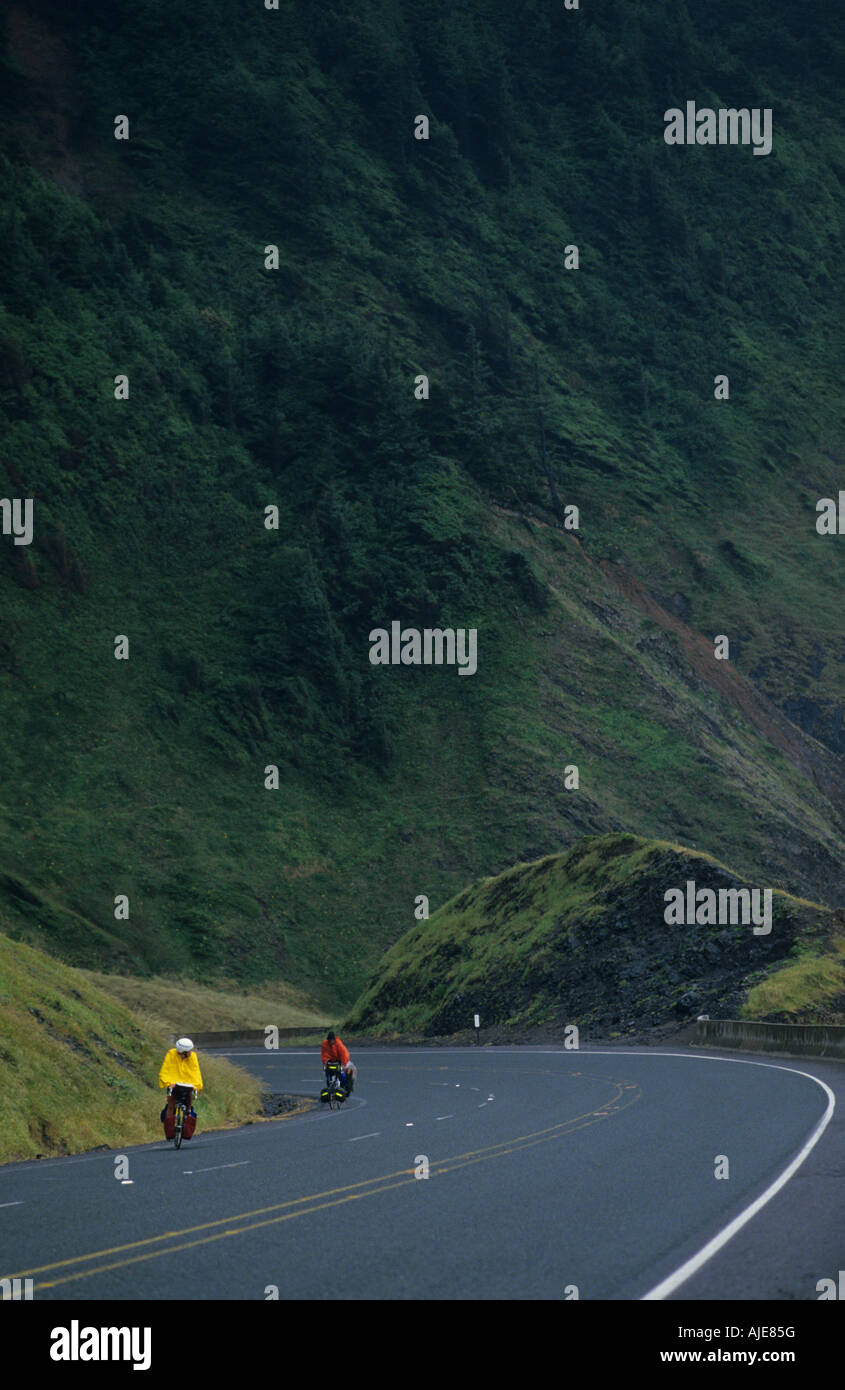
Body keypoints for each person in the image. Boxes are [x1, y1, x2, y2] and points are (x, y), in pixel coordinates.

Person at [159, 1036, 203, 1137]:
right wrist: (168, 1082)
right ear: (183, 1051)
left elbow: (195, 1071)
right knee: (171, 1105)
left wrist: (196, 1085)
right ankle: (169, 1131)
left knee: (189, 1101)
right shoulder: (171, 1054)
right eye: (189, 1050)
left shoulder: (193, 1057)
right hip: (173, 1082)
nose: (191, 1052)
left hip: (188, 1083)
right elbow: (165, 1069)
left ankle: (187, 1119)